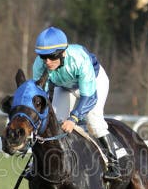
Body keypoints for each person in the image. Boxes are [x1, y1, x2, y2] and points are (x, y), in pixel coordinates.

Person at [31, 26, 123, 180]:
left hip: (94, 83)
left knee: (94, 123)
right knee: (53, 123)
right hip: (65, 86)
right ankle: (38, 164)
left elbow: (89, 96)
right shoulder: (39, 65)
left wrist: (73, 118)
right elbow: (40, 94)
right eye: (43, 57)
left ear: (63, 52)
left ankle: (115, 165)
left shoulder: (79, 59)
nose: (47, 62)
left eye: (52, 56)